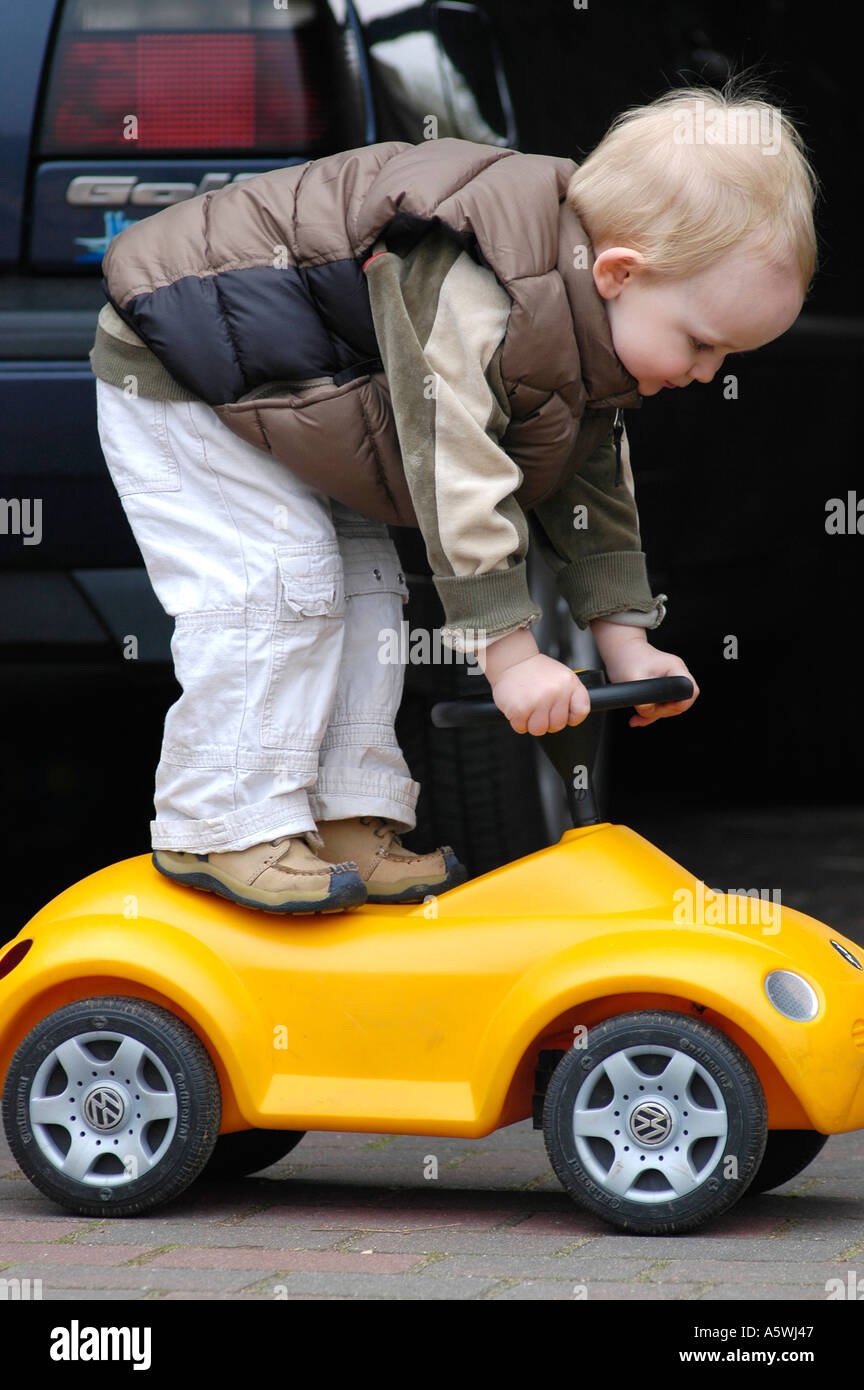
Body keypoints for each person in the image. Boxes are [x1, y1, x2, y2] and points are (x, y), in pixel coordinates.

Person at [89, 78, 817, 916]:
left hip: (301, 402)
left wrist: (626, 641)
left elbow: (593, 493)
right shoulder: (480, 281)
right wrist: (510, 656)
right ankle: (221, 819)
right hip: (183, 365)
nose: (706, 374)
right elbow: (454, 465)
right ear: (619, 271)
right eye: (701, 342)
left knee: (367, 595)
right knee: (280, 587)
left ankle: (345, 816)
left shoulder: (590, 335)